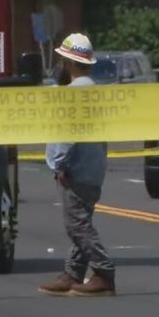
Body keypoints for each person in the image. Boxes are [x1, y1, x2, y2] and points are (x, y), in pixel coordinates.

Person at [38, 33, 115, 297]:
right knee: (82, 220)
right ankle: (73, 273)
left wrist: (58, 164)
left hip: (76, 169)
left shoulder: (72, 94)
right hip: (94, 167)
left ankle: (104, 272)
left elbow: (66, 135)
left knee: (77, 225)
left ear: (67, 62)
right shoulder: (95, 91)